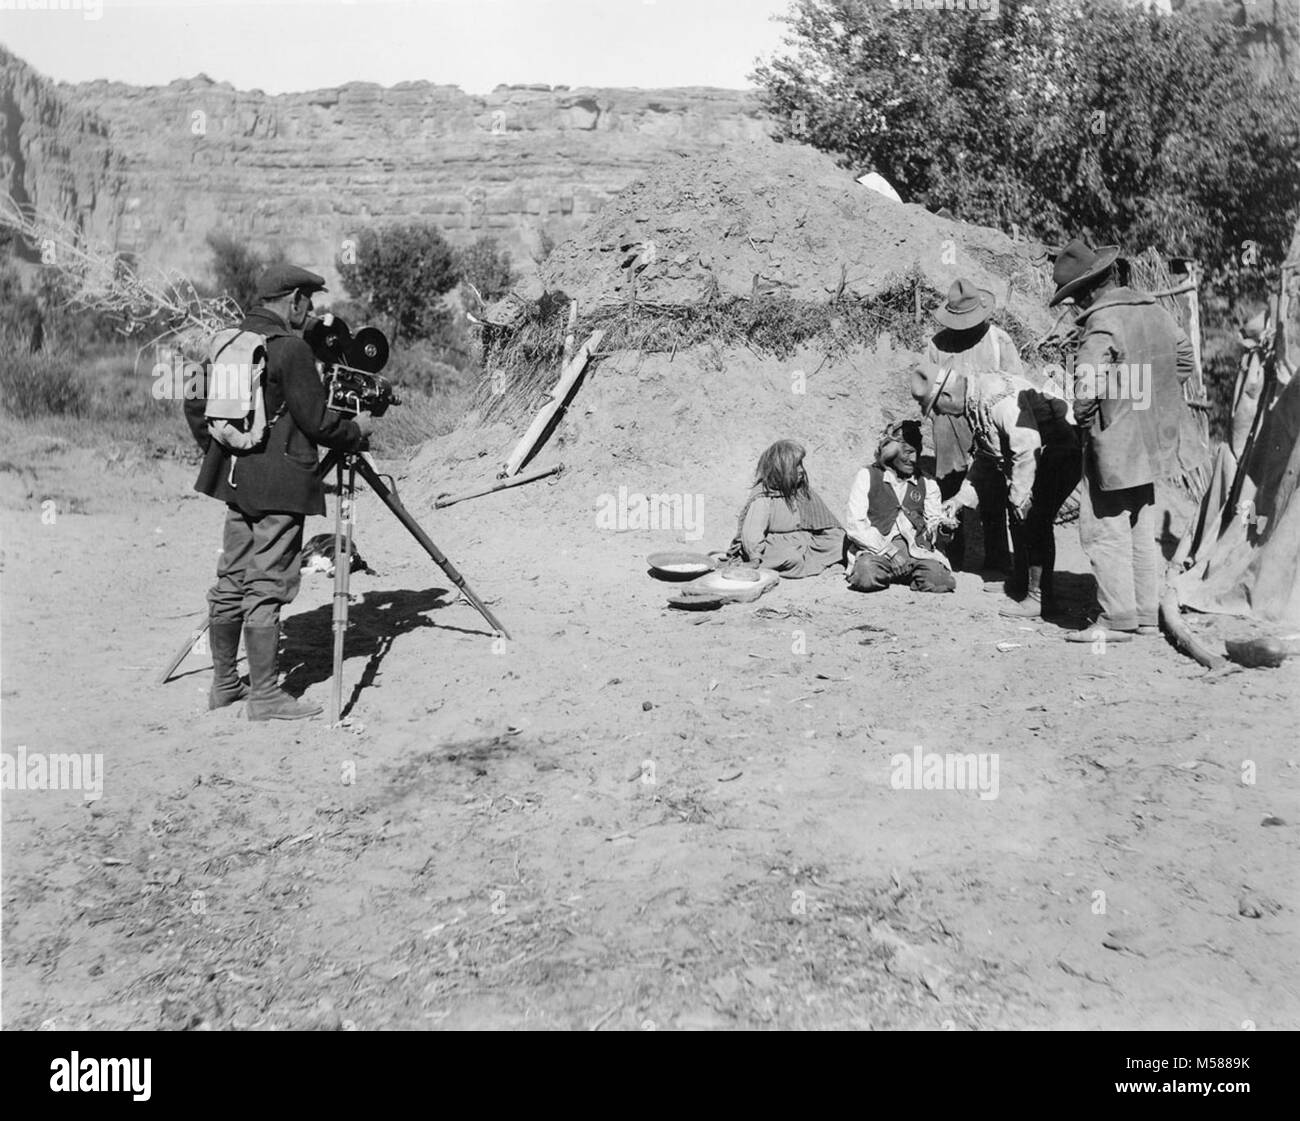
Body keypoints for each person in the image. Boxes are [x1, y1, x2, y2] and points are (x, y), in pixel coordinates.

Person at [185, 264, 375, 719]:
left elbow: (195, 403)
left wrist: (225, 452)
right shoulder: (289, 350)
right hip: (280, 487)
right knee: (268, 583)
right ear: (291, 300)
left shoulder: (230, 342)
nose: (309, 310)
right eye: (306, 301)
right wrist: (357, 430)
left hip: (235, 482)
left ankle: (225, 684)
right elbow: (317, 422)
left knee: (232, 579)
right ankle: (267, 696)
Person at [1047, 239, 1195, 642]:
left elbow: (1087, 388)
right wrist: (1146, 396)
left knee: (1103, 529)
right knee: (1140, 527)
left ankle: (1116, 618)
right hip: (1153, 440)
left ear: (1089, 290)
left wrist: (1089, 421)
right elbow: (1184, 360)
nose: (1075, 306)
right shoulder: (1155, 310)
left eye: (1075, 297)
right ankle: (1147, 615)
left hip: (1114, 441)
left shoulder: (1102, 321)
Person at [912, 360, 1080, 620]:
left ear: (946, 395)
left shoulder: (994, 397)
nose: (942, 415)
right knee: (1020, 513)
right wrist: (959, 499)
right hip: (1039, 452)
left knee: (1034, 518)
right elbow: (988, 459)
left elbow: (1027, 443)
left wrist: (1020, 495)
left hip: (1061, 447)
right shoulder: (976, 401)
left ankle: (1040, 598)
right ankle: (1022, 581)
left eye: (937, 408)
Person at [925, 279, 1024, 583]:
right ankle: (953, 554)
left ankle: (996, 559)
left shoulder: (999, 340)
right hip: (950, 423)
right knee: (950, 482)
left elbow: (1016, 387)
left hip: (990, 419)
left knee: (992, 484)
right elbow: (928, 391)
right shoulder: (937, 345)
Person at [844, 420, 956, 594]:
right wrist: (891, 553)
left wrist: (943, 530)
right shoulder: (867, 476)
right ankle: (886, 573)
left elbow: (932, 525)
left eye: (917, 452)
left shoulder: (927, 483)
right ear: (890, 452)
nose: (914, 459)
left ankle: (908, 575)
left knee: (941, 580)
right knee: (865, 574)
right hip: (878, 553)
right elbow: (855, 525)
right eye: (908, 452)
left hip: (915, 554)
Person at [725, 440, 845, 577]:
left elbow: (825, 523)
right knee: (791, 557)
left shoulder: (801, 490)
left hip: (805, 542)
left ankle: (812, 561)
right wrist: (754, 557)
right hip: (775, 546)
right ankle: (807, 564)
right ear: (781, 469)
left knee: (840, 543)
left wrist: (837, 537)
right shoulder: (764, 496)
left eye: (801, 464)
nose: (801, 470)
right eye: (796, 466)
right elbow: (753, 532)